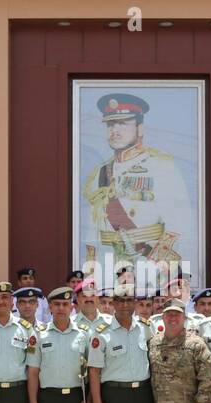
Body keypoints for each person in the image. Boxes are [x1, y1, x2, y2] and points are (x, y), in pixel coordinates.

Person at [81, 93, 193, 284]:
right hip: (109, 265)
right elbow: (93, 231)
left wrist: (152, 263)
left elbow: (178, 224)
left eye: (122, 123)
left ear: (140, 128)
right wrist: (91, 274)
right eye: (110, 124)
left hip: (148, 261)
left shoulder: (160, 165)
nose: (114, 130)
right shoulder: (100, 173)